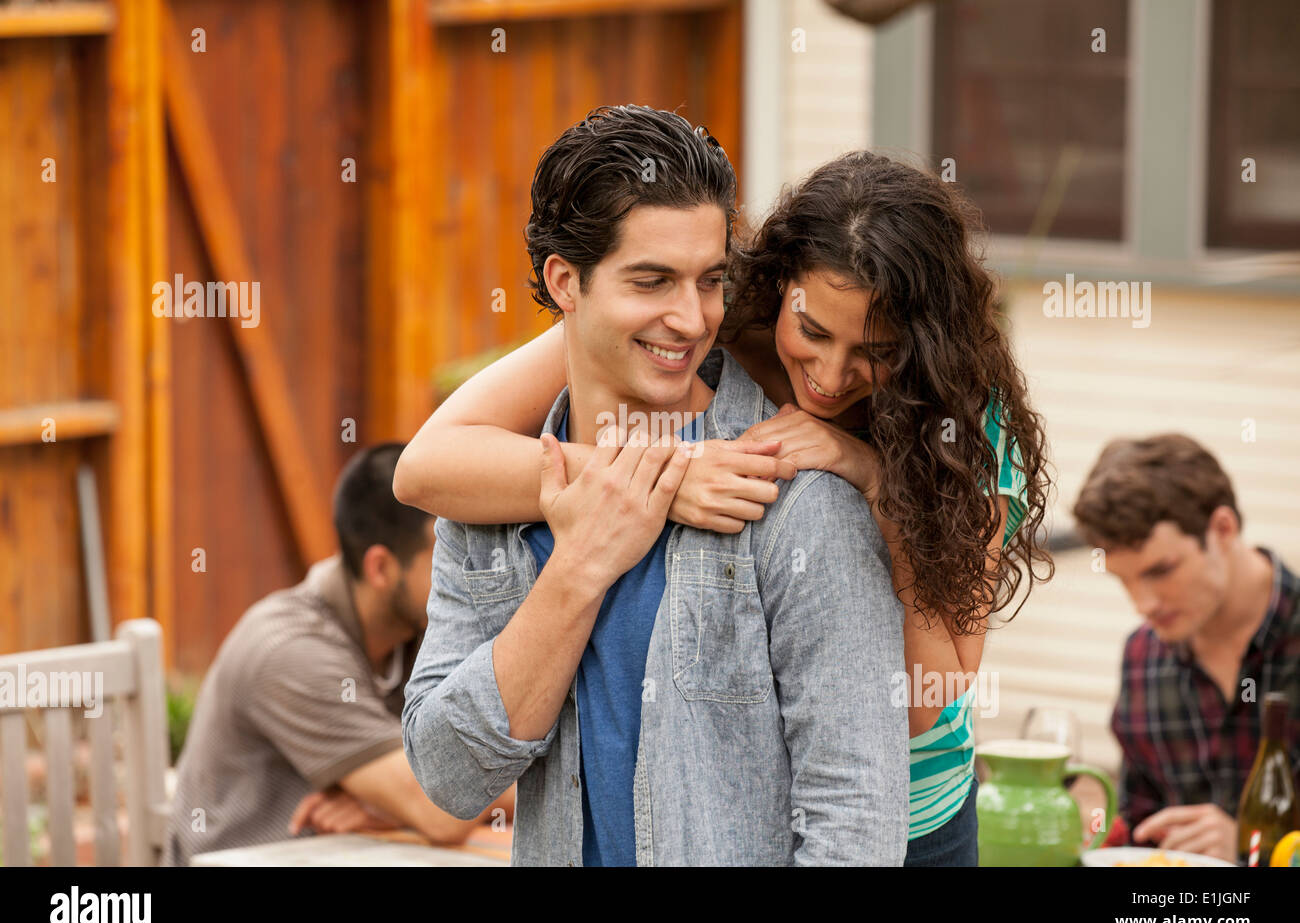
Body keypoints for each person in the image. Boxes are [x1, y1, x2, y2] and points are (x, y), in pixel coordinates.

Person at [396, 147, 1052, 865]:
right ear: (779, 289)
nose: (830, 378)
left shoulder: (966, 427)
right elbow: (429, 465)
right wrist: (664, 480)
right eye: (812, 332)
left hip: (918, 812)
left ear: (925, 345)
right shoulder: (701, 320)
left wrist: (870, 474)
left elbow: (930, 695)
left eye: (876, 351)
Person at [163, 444, 511, 866]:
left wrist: (392, 806)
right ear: (380, 568)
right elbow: (445, 810)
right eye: (448, 556)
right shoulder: (291, 653)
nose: (466, 572)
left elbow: (467, 785)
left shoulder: (419, 626)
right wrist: (420, 801)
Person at [1073, 433, 1300, 861]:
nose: (1143, 604)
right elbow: (1140, 831)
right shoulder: (1142, 658)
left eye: (1161, 570)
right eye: (1124, 580)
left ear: (1222, 529)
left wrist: (1255, 846)